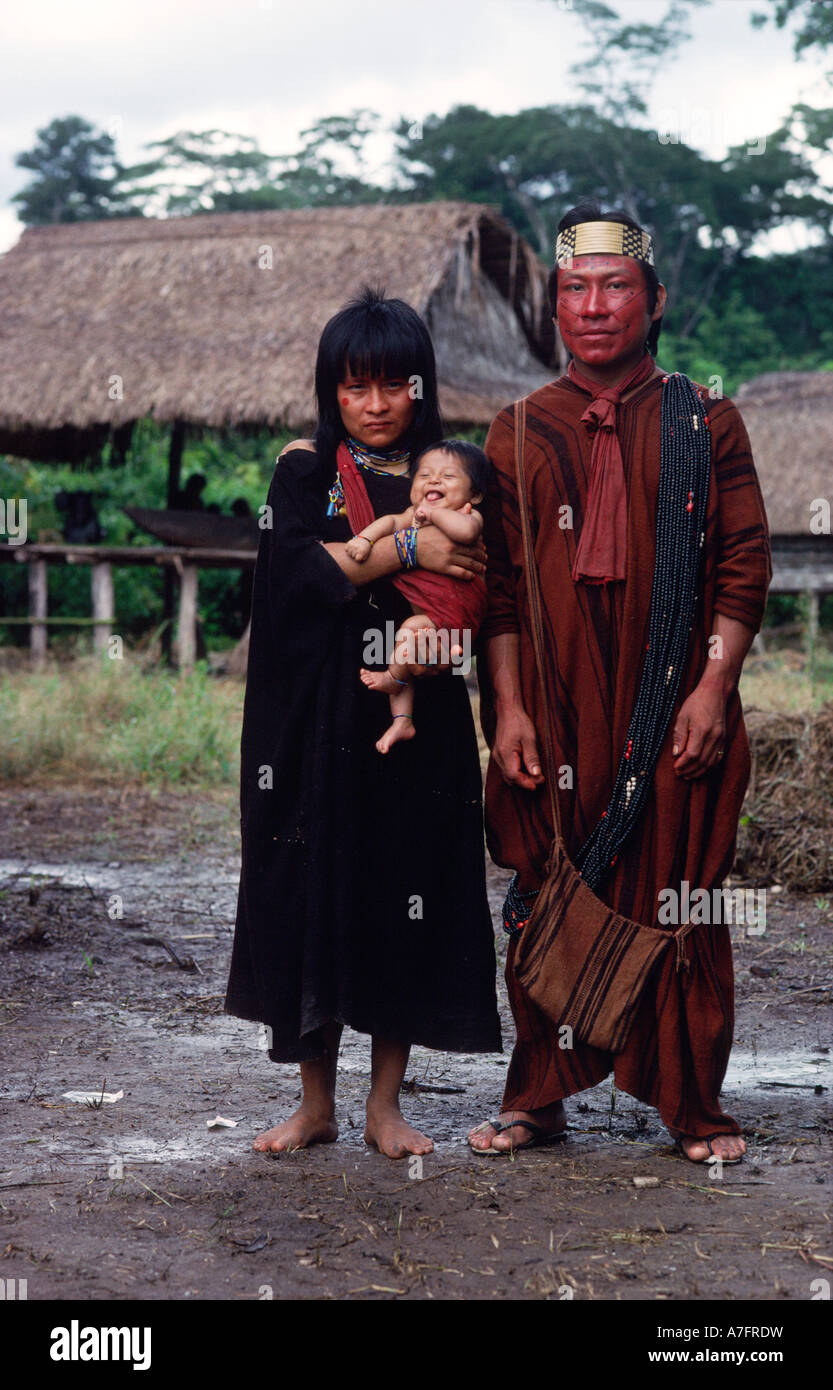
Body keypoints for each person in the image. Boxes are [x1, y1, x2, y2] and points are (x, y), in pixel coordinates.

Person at [468, 201, 771, 1163]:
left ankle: (694, 1105)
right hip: (553, 715)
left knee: (682, 890)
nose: (593, 306)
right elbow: (501, 592)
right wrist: (507, 710)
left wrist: (713, 690)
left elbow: (740, 566)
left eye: (614, 287)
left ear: (653, 299)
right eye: (574, 289)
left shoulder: (705, 420)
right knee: (546, 883)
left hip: (674, 704)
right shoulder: (513, 433)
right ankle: (535, 1097)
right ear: (554, 306)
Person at [225, 287, 501, 1159]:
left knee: (404, 896)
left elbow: (481, 579)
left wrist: (383, 562)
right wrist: (409, 548)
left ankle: (385, 1105)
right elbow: (295, 584)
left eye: (392, 386)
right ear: (330, 390)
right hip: (313, 717)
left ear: (420, 387)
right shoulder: (303, 470)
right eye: (355, 388)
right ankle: (316, 1105)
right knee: (310, 894)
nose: (375, 405)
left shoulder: (447, 473)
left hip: (417, 717)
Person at [349, 439, 490, 753]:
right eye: (424, 475)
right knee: (409, 638)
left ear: (475, 494)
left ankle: (392, 680)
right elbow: (388, 523)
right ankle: (402, 719)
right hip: (432, 618)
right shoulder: (412, 514)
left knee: (412, 638)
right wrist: (365, 539)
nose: (434, 480)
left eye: (448, 477)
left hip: (458, 621)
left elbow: (464, 533)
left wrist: (433, 515)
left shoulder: (469, 515)